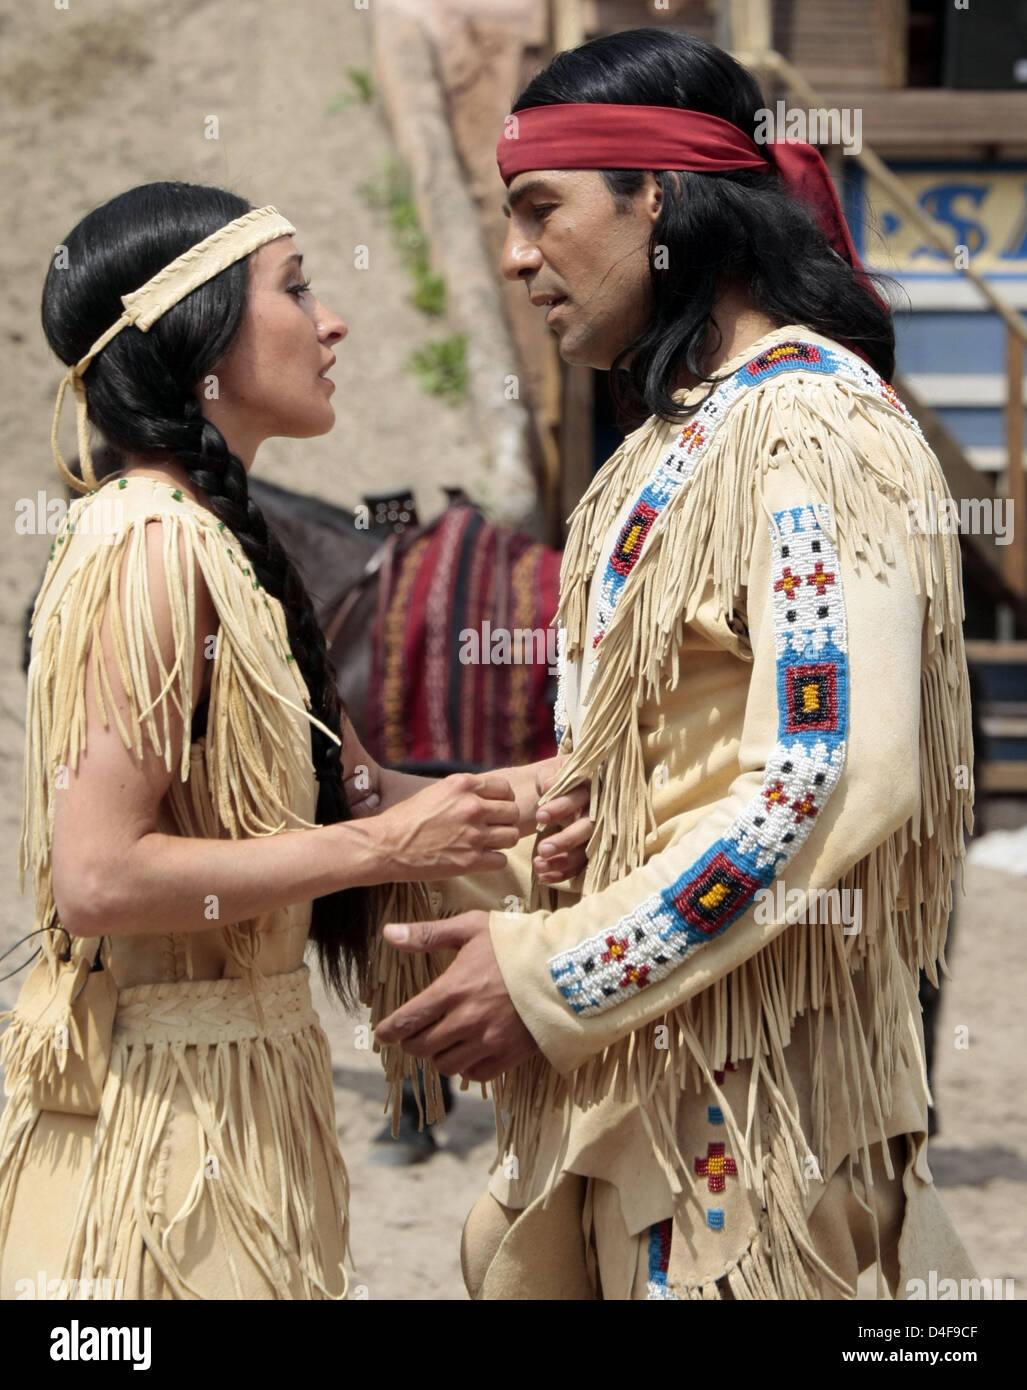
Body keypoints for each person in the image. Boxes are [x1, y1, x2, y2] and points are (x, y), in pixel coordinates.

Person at [371, 30, 979, 1300]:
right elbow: (686, 743)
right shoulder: (674, 439)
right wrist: (514, 802)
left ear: (662, 199)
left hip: (747, 1122)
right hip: (640, 1089)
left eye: (542, 209)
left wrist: (551, 975)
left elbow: (827, 773)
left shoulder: (814, 423)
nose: (514, 256)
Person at [0, 182, 591, 1300]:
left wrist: (599, 777)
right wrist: (387, 853)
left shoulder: (228, 545)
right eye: (297, 288)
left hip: (248, 1107)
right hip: (156, 1140)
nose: (332, 322)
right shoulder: (146, 548)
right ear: (199, 334)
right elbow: (99, 876)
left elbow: (373, 800)